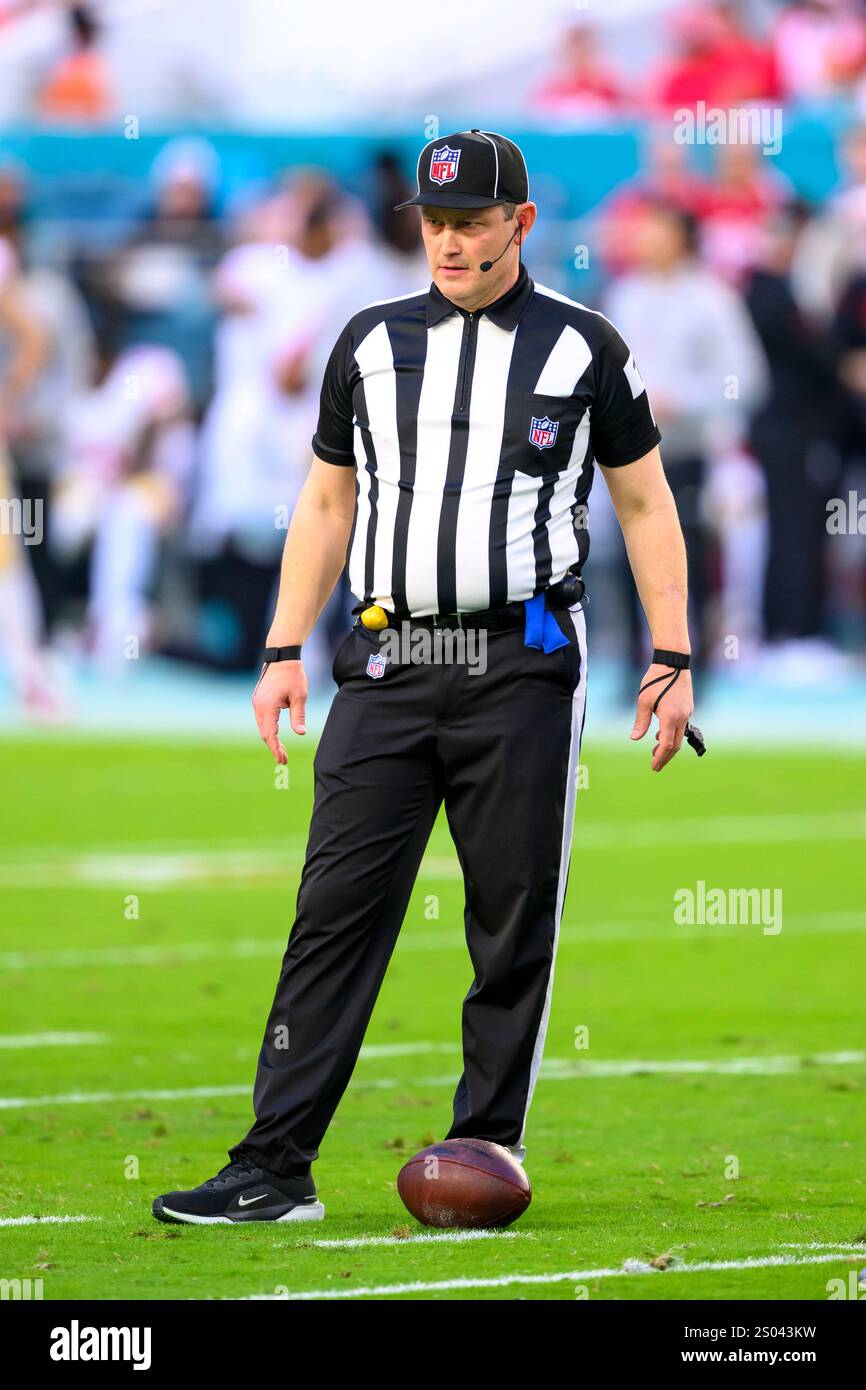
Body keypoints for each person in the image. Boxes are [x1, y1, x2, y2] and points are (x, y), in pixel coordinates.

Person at [152, 129, 696, 1226]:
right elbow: (323, 500)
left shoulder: (583, 348)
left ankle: (485, 1145)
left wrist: (674, 654)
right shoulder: (367, 342)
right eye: (433, 222)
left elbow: (643, 503)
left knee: (508, 915)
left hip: (522, 660)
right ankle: (273, 1165)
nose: (447, 241)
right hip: (388, 656)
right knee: (333, 910)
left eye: (469, 221)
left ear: (519, 224)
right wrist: (277, 649)